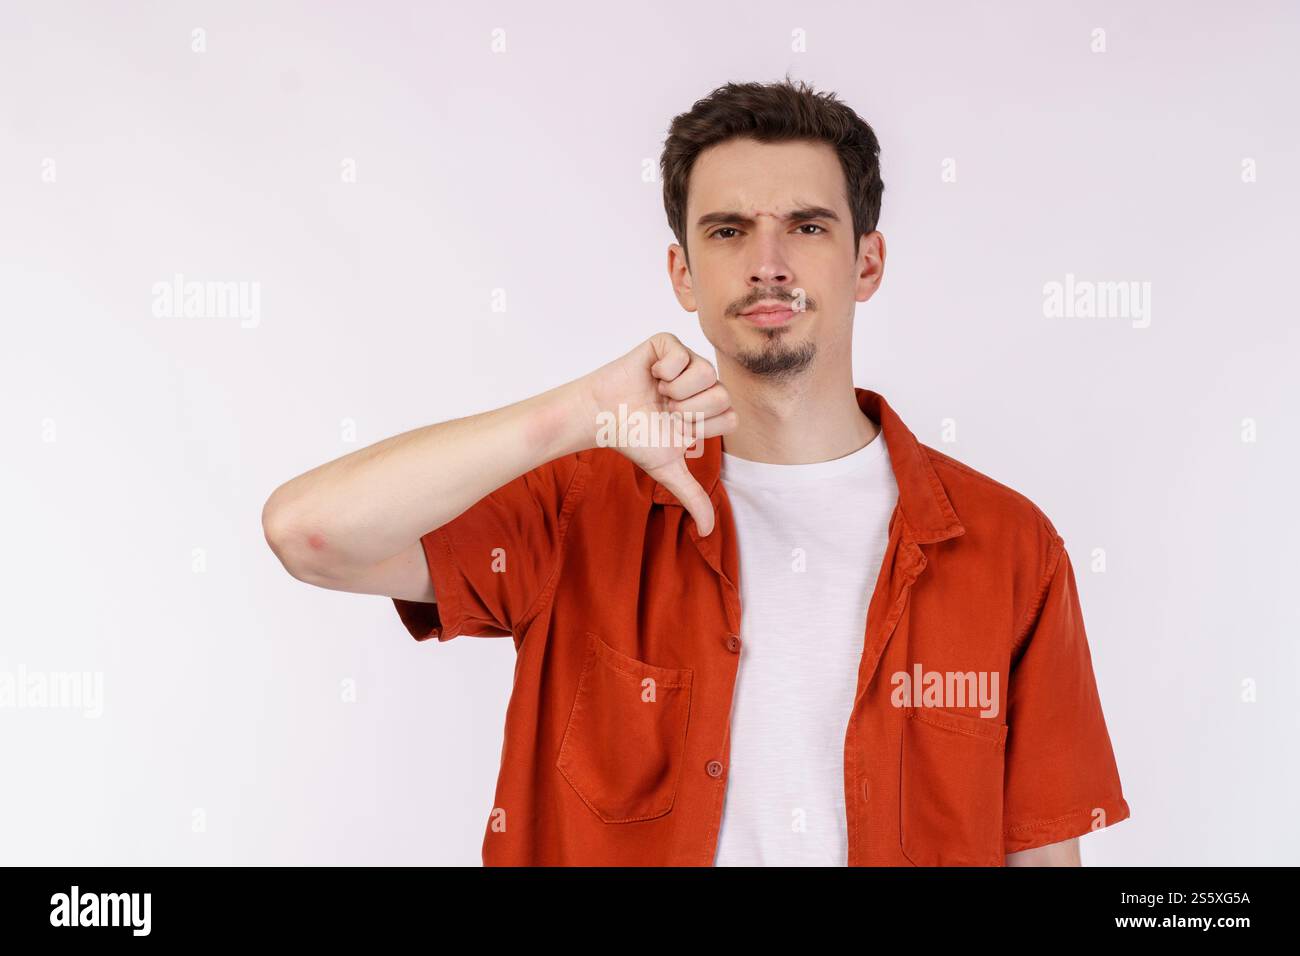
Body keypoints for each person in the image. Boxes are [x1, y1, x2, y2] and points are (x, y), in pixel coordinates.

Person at [262, 76, 1130, 866]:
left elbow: (1041, 858)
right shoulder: (581, 503)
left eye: (808, 225)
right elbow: (309, 534)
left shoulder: (1008, 546)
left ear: (866, 262)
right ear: (682, 271)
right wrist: (576, 417)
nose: (767, 262)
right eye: (727, 230)